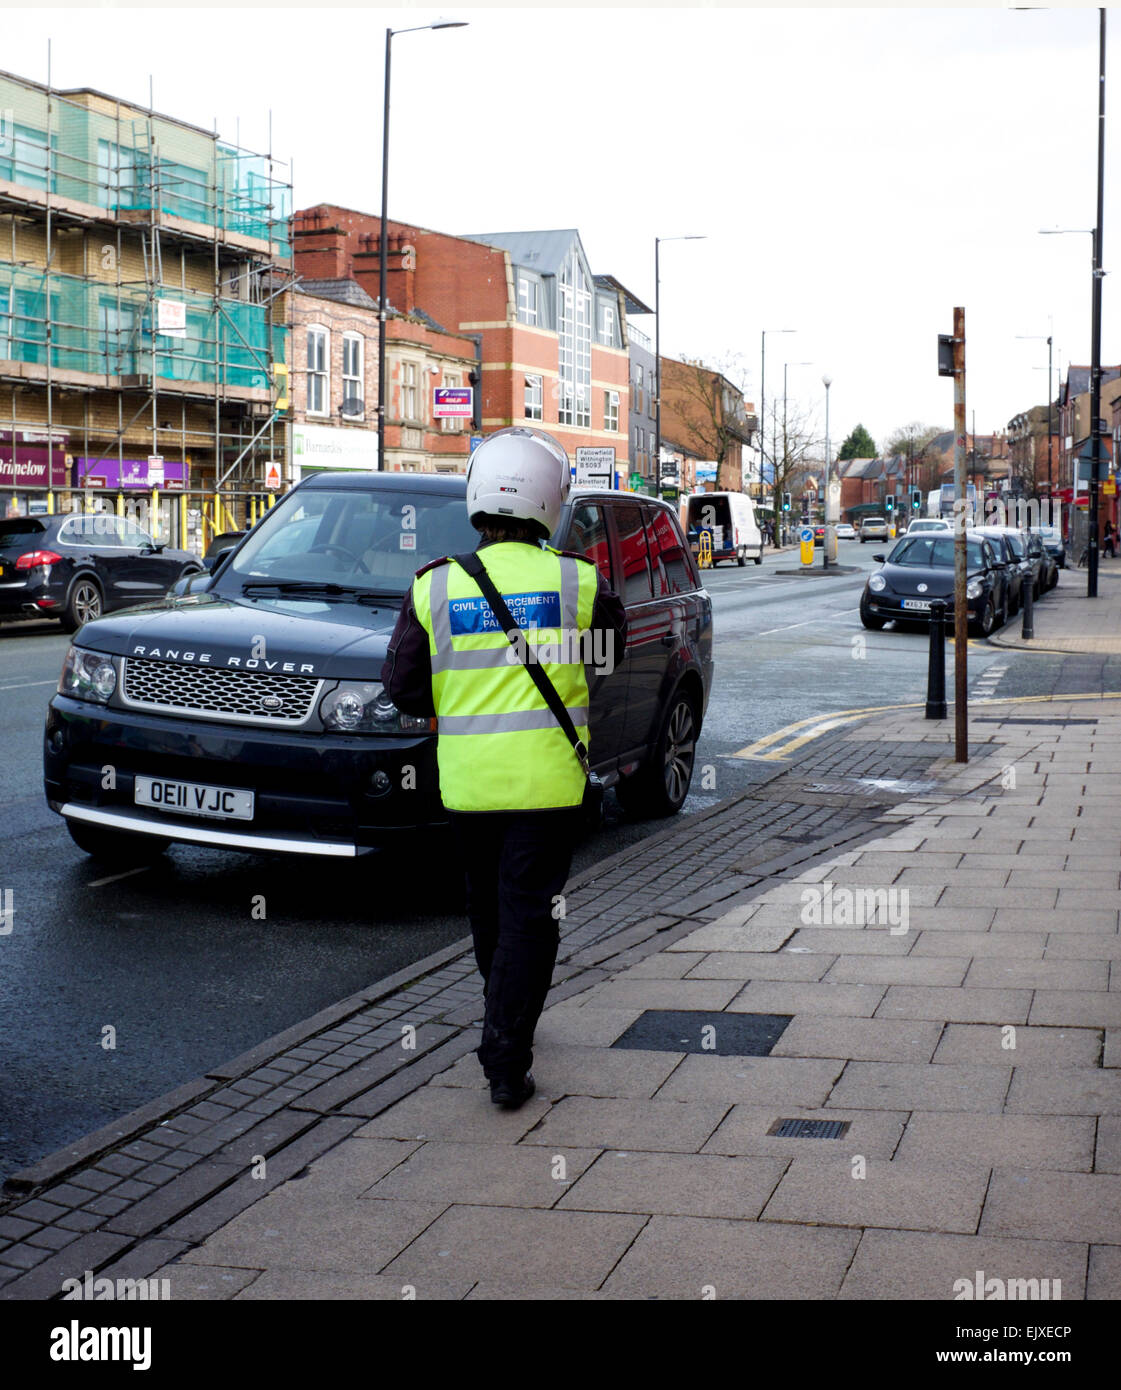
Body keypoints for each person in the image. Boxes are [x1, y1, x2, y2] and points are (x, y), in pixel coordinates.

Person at [381, 427, 626, 1110]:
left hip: (467, 785)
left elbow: (402, 687)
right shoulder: (578, 581)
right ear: (551, 504)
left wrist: (465, 694)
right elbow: (604, 664)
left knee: (487, 910)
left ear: (477, 500)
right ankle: (505, 1052)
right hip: (547, 784)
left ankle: (502, 1019)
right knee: (530, 916)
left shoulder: (433, 586)